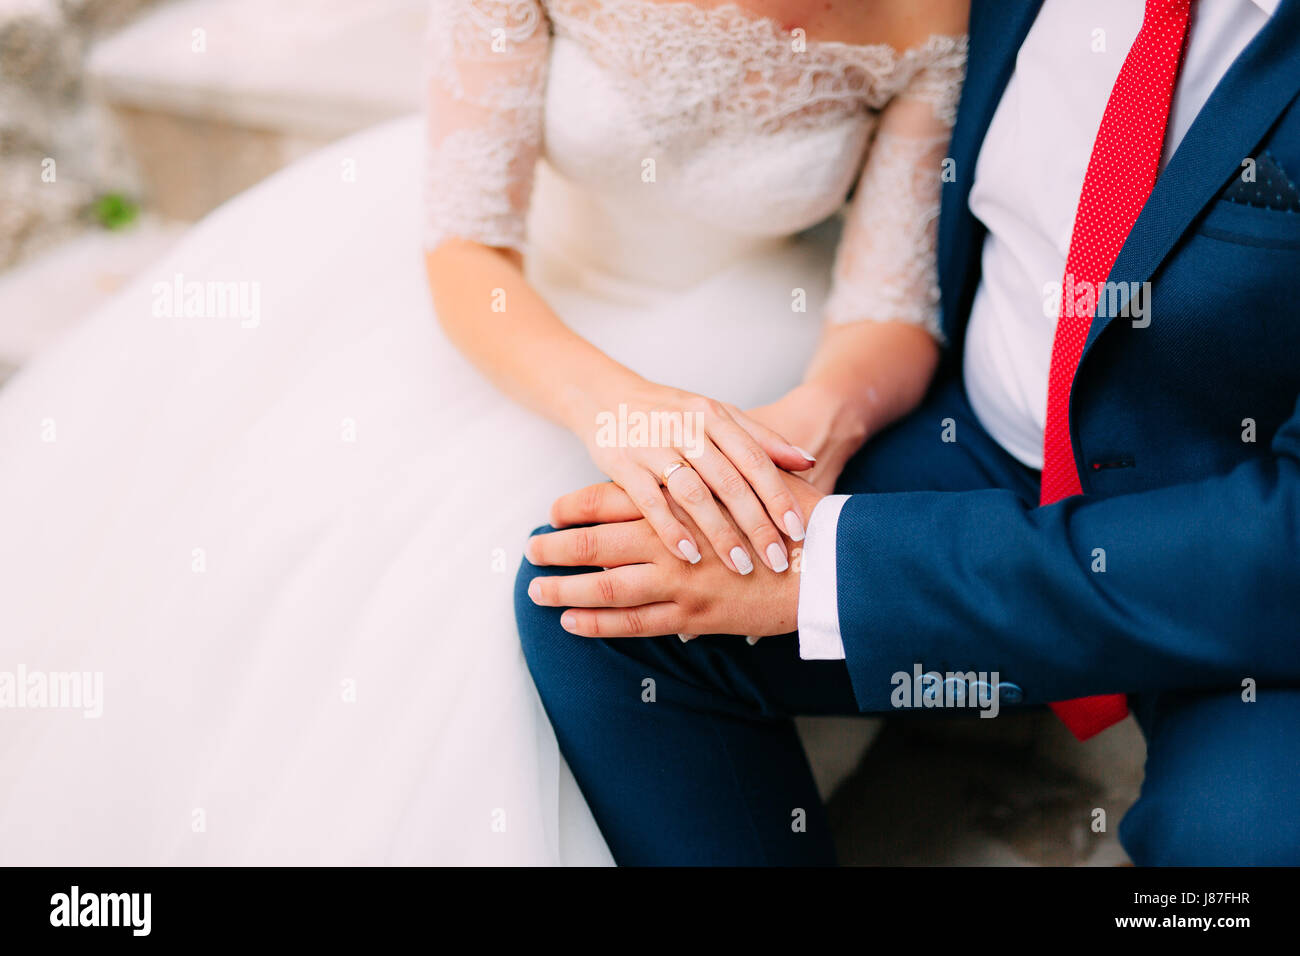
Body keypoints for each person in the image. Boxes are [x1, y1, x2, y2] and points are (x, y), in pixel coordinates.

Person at [0, 0, 967, 864]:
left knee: (619, 564)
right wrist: (620, 408)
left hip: (743, 320)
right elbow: (470, 248)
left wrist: (810, 427)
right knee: (339, 539)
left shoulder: (929, 16)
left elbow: (889, 306)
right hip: (513, 296)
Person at [518, 0, 1300, 865]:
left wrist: (839, 572)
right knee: (606, 591)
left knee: (1249, 843)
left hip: (1233, 554)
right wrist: (815, 428)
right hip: (982, 444)